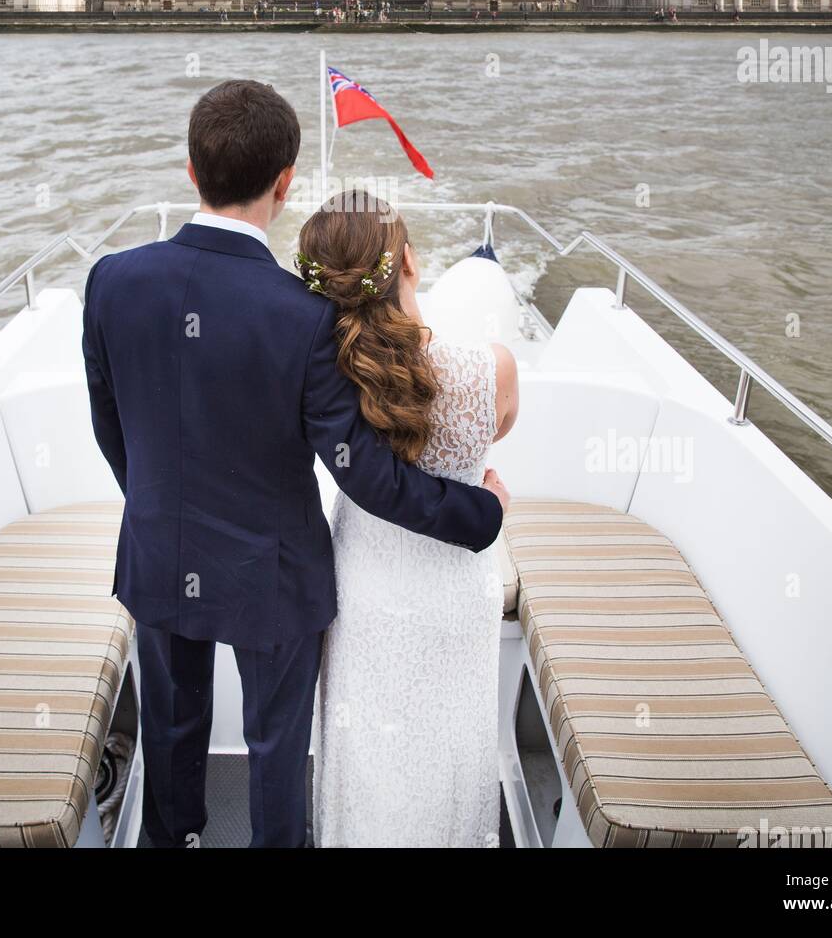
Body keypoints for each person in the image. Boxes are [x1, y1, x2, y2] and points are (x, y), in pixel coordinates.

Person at [82, 82, 508, 849]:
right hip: (271, 574)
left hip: (158, 553)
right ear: (285, 184)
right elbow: (363, 475)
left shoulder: (112, 281)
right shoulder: (305, 316)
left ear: (190, 170)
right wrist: (482, 513)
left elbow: (111, 428)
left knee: (172, 734)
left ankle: (172, 838)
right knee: (275, 753)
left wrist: (157, 508)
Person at [301, 193, 519, 847]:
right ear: (410, 264)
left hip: (364, 583)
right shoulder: (492, 370)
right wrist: (492, 505)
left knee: (364, 746)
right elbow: (500, 430)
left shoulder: (331, 377)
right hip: (455, 587)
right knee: (450, 744)